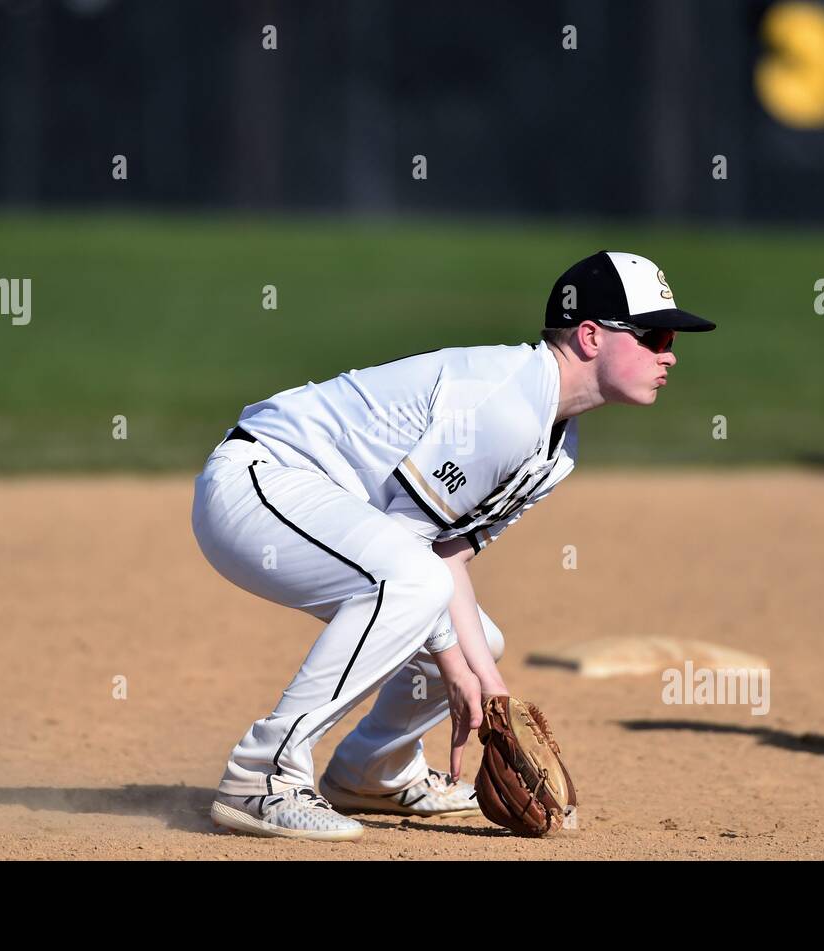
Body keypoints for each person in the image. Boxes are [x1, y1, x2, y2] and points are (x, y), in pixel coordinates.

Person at [193, 251, 716, 840]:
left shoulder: (557, 447)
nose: (669, 352)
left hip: (318, 505)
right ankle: (262, 775)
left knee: (479, 643)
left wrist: (490, 689)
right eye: (654, 335)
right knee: (422, 599)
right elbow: (410, 546)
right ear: (591, 336)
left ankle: (375, 771)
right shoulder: (507, 405)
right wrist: (461, 672)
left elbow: (447, 553)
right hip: (261, 485)